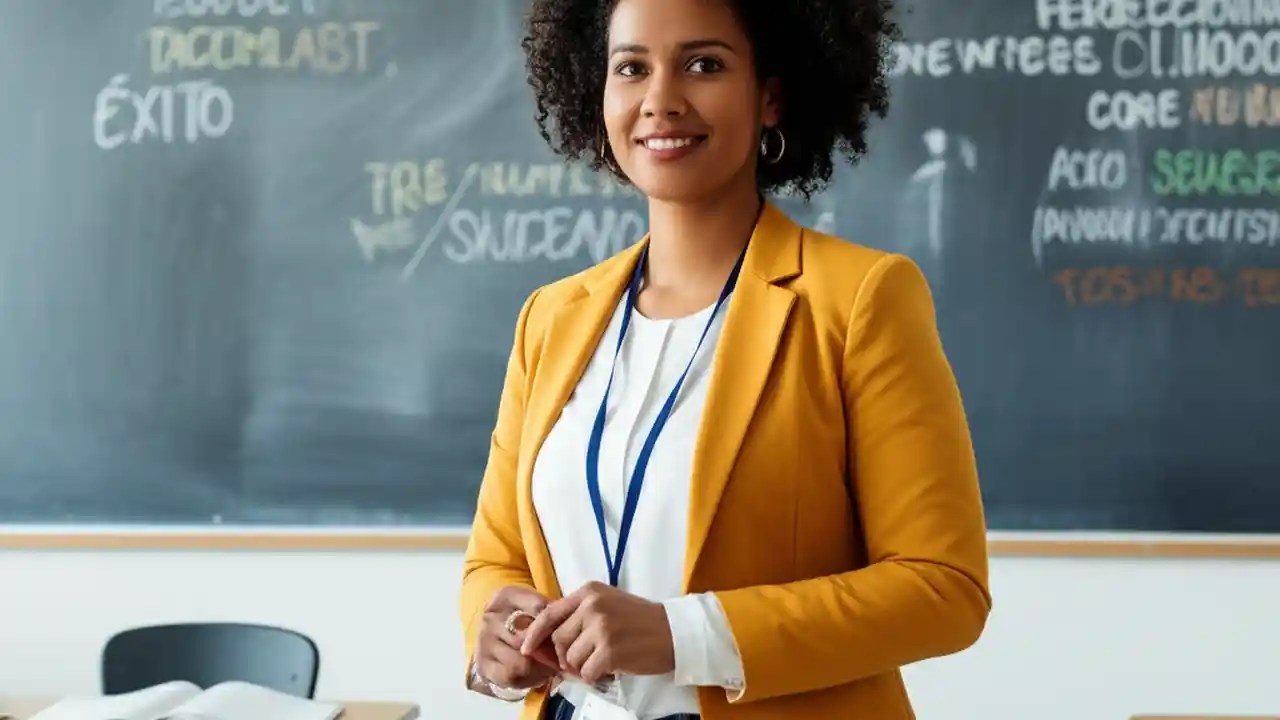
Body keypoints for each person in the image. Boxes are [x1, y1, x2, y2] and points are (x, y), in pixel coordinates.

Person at [458, 0, 991, 718]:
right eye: (631, 68)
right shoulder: (551, 318)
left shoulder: (861, 299)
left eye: (703, 65)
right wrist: (496, 631)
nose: (661, 100)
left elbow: (943, 589)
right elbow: (497, 559)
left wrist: (681, 635)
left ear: (770, 95)